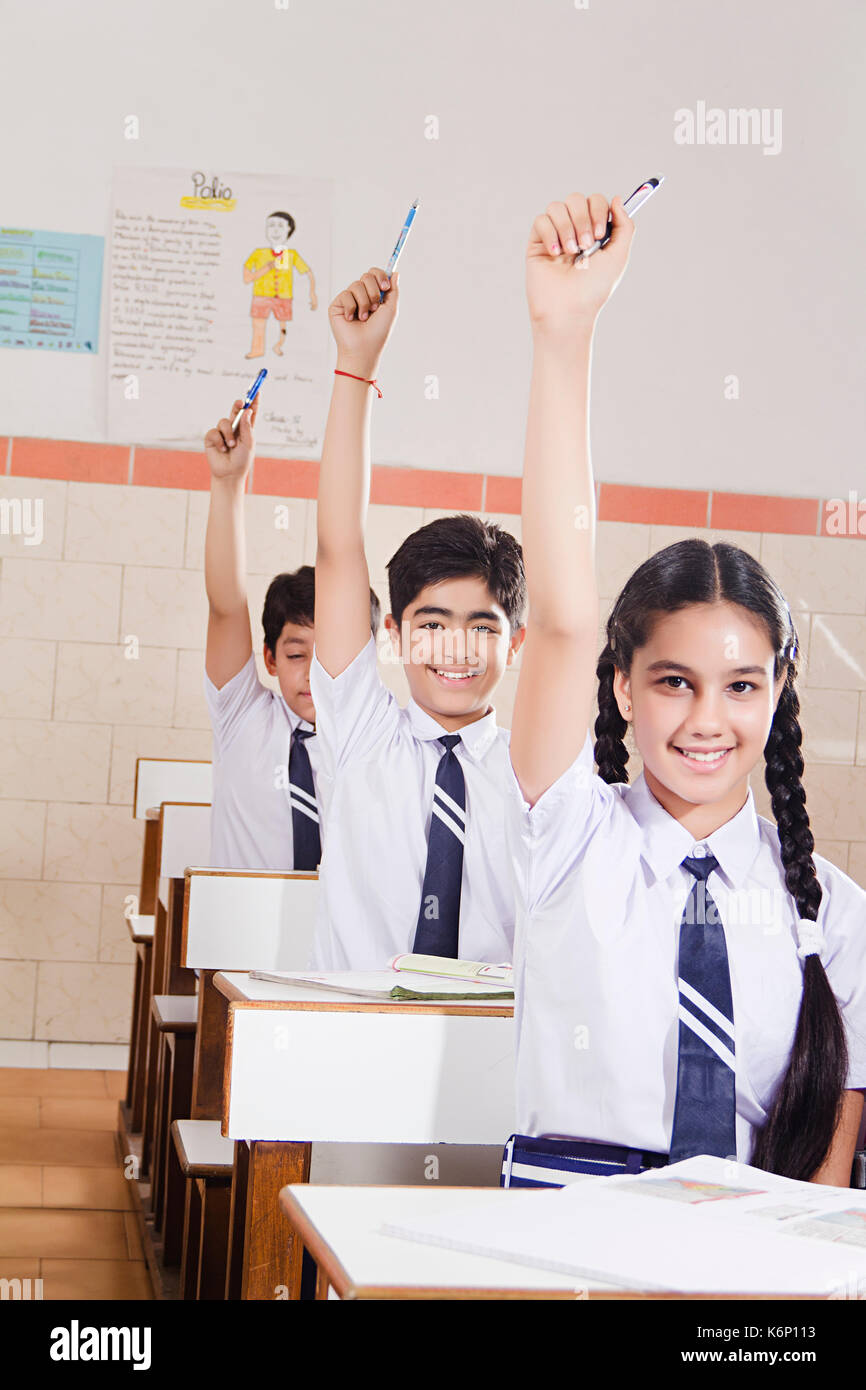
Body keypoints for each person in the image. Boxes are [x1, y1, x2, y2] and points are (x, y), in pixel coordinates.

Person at [506, 189, 866, 1184]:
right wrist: (561, 336)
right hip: (566, 1254)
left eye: (740, 686)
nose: (706, 720)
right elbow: (565, 612)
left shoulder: (831, 912)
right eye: (671, 680)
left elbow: (826, 1191)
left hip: (746, 1285)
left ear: (777, 691)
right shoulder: (567, 834)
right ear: (618, 687)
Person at [310, 265, 526, 969]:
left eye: (483, 626)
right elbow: (339, 547)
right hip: (357, 1045)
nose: (456, 647)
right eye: (432, 624)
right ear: (395, 637)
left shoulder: (536, 774)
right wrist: (355, 368)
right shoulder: (363, 734)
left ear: (516, 643)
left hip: (491, 1058)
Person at [203, 394, 379, 870]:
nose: (313, 676)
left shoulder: (375, 741)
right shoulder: (242, 716)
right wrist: (228, 483)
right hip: (238, 936)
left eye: (329, 659)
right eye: (298, 655)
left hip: (334, 942)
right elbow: (225, 606)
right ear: (270, 658)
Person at [243, 211, 317, 359]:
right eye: (271, 226)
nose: (275, 230)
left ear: (289, 229)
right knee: (258, 325)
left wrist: (312, 294)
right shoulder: (258, 253)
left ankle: (279, 345)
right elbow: (247, 278)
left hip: (284, 297)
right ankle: (257, 349)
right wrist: (266, 269)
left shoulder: (291, 255)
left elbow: (308, 273)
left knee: (282, 326)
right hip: (261, 296)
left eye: (280, 226)